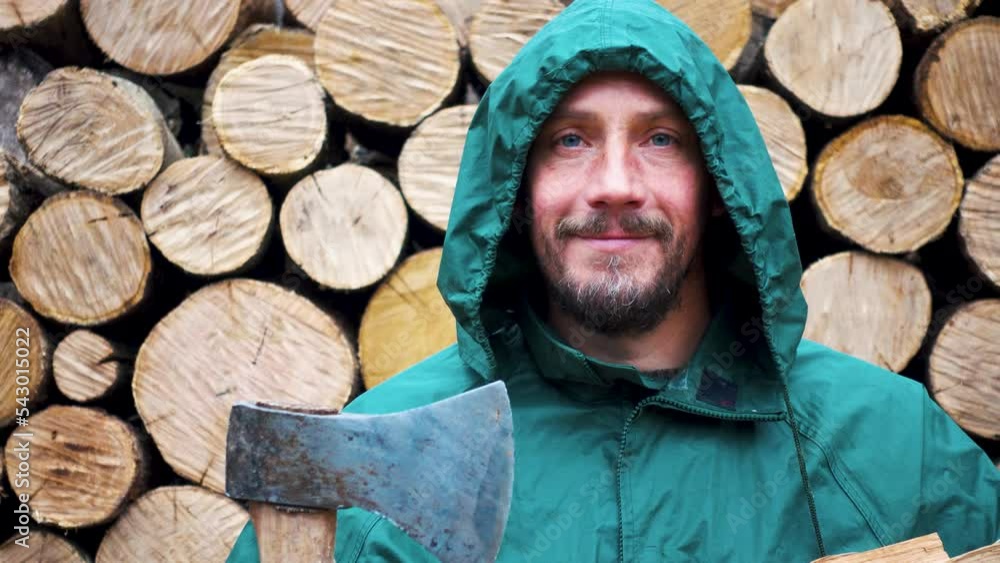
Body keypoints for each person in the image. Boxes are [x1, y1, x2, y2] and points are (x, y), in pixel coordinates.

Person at [227, 0, 999, 561]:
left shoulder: (892, 447)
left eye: (660, 138)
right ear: (516, 186)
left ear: (717, 181)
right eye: (570, 140)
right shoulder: (364, 479)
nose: (616, 184)